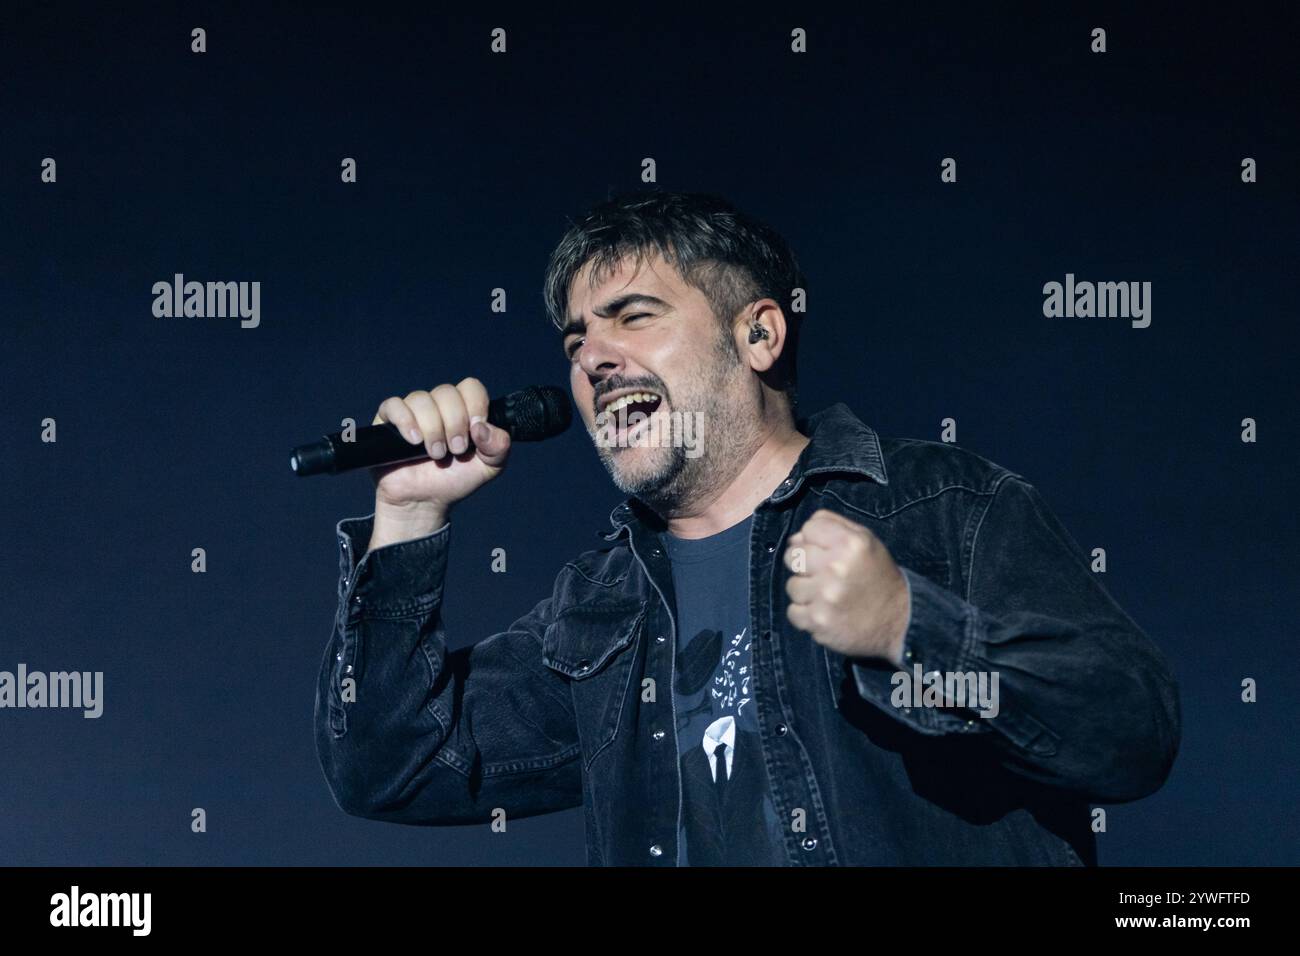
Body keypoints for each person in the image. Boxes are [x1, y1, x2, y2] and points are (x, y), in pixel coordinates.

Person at [314, 190, 1180, 866]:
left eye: (634, 315)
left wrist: (910, 631)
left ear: (759, 333)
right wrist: (409, 514)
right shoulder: (603, 605)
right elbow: (391, 768)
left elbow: (1131, 733)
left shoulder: (943, 508)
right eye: (576, 337)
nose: (590, 356)